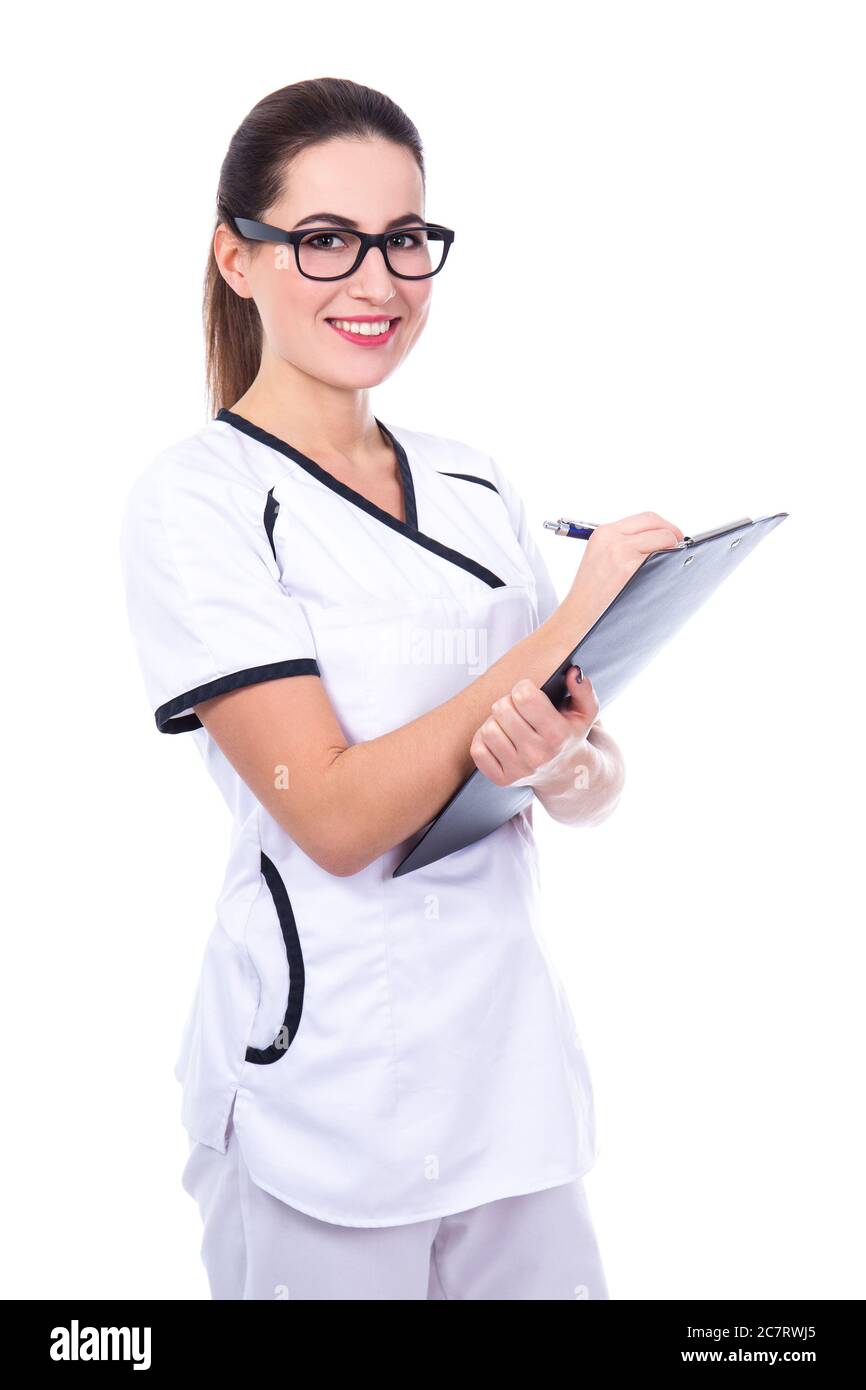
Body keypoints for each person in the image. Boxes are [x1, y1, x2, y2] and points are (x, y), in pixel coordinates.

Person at [119, 76, 683, 1301]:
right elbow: (327, 816)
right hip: (322, 1082)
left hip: (508, 1073)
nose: (375, 281)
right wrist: (574, 617)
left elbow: (584, 777)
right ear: (238, 257)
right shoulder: (199, 502)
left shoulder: (473, 483)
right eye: (324, 240)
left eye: (404, 239)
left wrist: (563, 755)